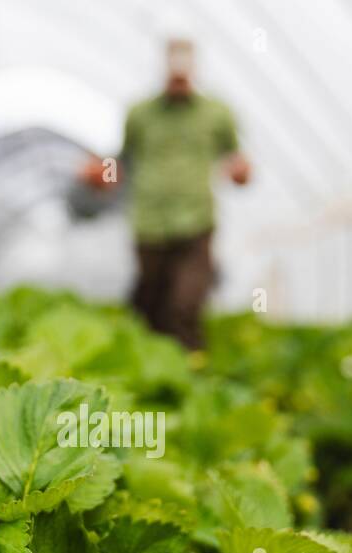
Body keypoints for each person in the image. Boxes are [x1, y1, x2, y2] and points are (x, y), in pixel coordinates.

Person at [80, 39, 250, 350]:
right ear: (165, 69)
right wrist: (99, 175)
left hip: (197, 222)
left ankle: (192, 372)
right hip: (150, 224)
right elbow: (122, 164)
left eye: (184, 74)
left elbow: (237, 161)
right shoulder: (141, 115)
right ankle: (150, 372)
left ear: (194, 70)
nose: (179, 80)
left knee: (185, 304)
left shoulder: (216, 114)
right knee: (151, 305)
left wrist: (241, 172)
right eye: (174, 73)